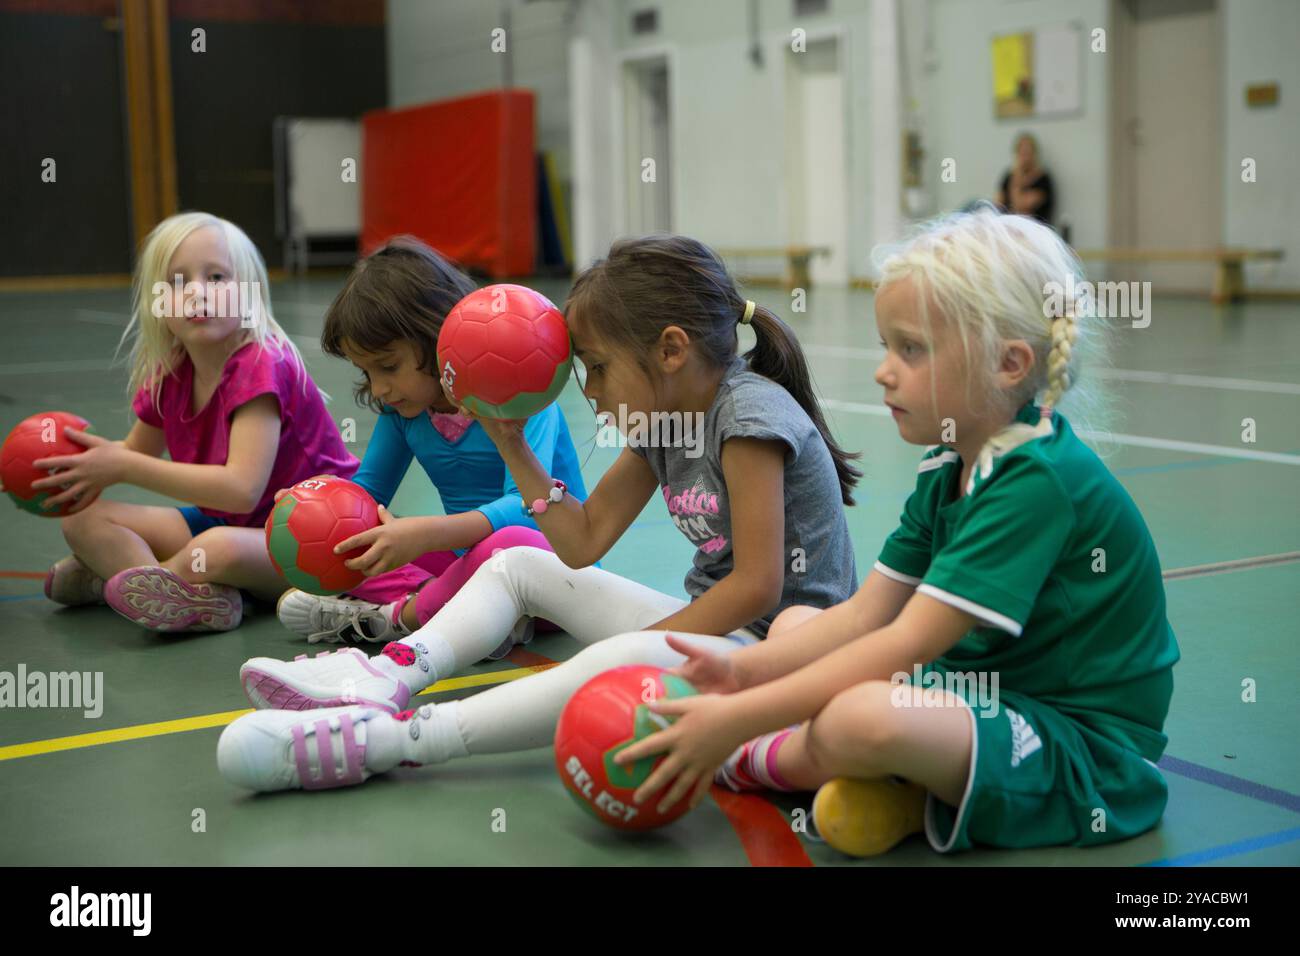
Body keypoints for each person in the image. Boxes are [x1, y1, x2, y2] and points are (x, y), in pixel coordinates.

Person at [610, 209, 1179, 858]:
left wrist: (733, 720)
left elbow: (904, 643)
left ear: (1009, 364)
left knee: (860, 719)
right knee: (797, 623)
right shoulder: (948, 464)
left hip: (1078, 744)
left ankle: (753, 759)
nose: (884, 371)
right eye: (887, 347)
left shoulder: (1035, 481)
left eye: (910, 350)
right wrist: (741, 670)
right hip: (969, 693)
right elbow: (865, 616)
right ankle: (900, 791)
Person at [216, 234, 862, 793]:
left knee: (610, 662)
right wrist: (511, 444)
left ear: (671, 350)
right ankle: (385, 676)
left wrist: (650, 644)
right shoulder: (663, 421)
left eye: (598, 367)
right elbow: (582, 541)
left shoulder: (748, 419)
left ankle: (389, 742)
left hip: (783, 655)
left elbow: (758, 586)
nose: (590, 389)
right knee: (520, 562)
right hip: (721, 633)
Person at [37, 212, 357, 632]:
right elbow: (133, 452)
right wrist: (67, 468)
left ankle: (117, 583)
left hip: (308, 540)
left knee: (214, 548)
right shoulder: (172, 373)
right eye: (177, 281)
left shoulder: (261, 364)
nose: (196, 293)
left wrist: (124, 466)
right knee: (83, 520)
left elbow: (241, 491)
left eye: (216, 277)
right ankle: (186, 596)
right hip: (228, 524)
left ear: (249, 293)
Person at [996, 133, 1055, 227]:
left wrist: (1018, 178)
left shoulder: (1043, 180)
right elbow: (997, 206)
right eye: (1022, 153)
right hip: (1010, 227)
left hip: (1034, 228)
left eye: (1028, 153)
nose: (1025, 158)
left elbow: (1020, 207)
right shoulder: (1008, 177)